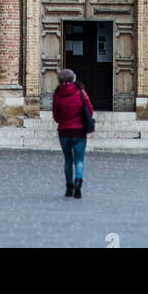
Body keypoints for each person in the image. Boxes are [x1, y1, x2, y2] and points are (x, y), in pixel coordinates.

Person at [52, 67, 93, 198]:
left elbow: (56, 116)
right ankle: (78, 181)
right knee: (79, 160)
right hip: (79, 131)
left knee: (68, 160)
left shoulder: (57, 94)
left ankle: (69, 187)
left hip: (64, 132)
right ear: (73, 78)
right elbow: (89, 110)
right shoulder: (81, 93)